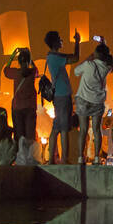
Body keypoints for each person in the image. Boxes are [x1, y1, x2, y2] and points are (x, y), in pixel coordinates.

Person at [43, 30, 81, 164]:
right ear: (54, 42)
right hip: (63, 96)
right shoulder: (56, 57)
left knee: (56, 128)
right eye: (59, 39)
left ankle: (51, 160)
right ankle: (65, 159)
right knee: (64, 129)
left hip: (58, 96)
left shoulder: (51, 57)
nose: (61, 40)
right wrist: (77, 42)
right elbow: (75, 57)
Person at [73, 39, 113, 164]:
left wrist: (88, 58)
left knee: (83, 130)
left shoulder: (88, 64)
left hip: (83, 100)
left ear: (95, 53)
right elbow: (108, 58)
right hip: (97, 102)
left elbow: (75, 72)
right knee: (97, 130)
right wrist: (104, 44)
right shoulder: (107, 67)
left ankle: (81, 157)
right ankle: (96, 157)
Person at [3, 47, 38, 163]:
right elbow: (35, 69)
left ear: (18, 61)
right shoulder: (32, 72)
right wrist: (29, 56)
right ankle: (30, 157)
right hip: (30, 107)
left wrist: (12, 55)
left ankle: (19, 158)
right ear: (28, 61)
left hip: (17, 107)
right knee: (30, 133)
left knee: (19, 134)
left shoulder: (15, 73)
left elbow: (5, 70)